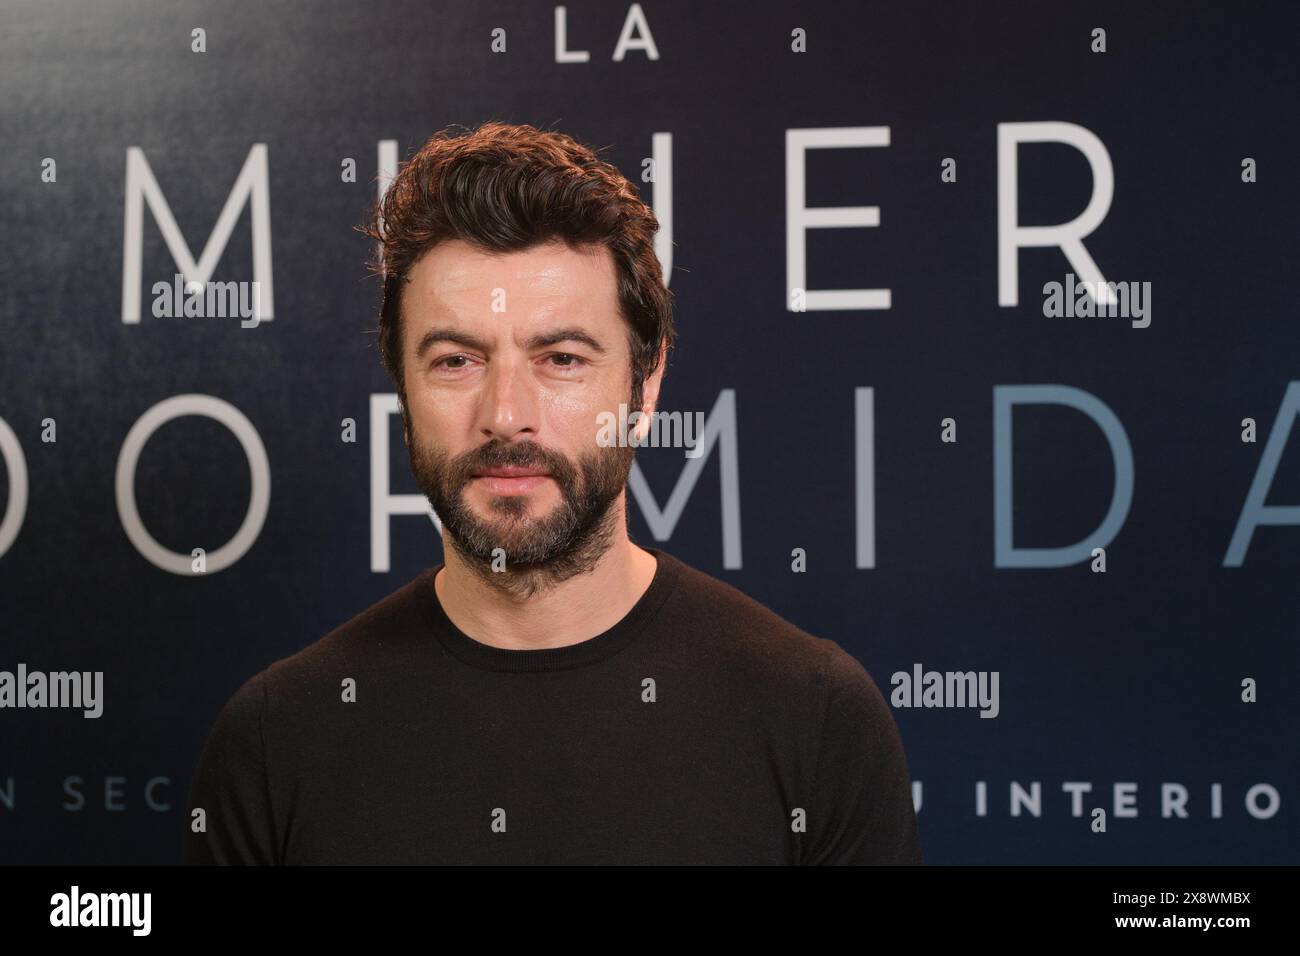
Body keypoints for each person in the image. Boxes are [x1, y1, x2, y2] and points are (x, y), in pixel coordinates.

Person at [183, 121, 922, 865]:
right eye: (456, 360)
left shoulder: (816, 719)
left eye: (561, 358)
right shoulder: (277, 742)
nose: (506, 415)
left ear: (645, 381)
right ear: (401, 384)